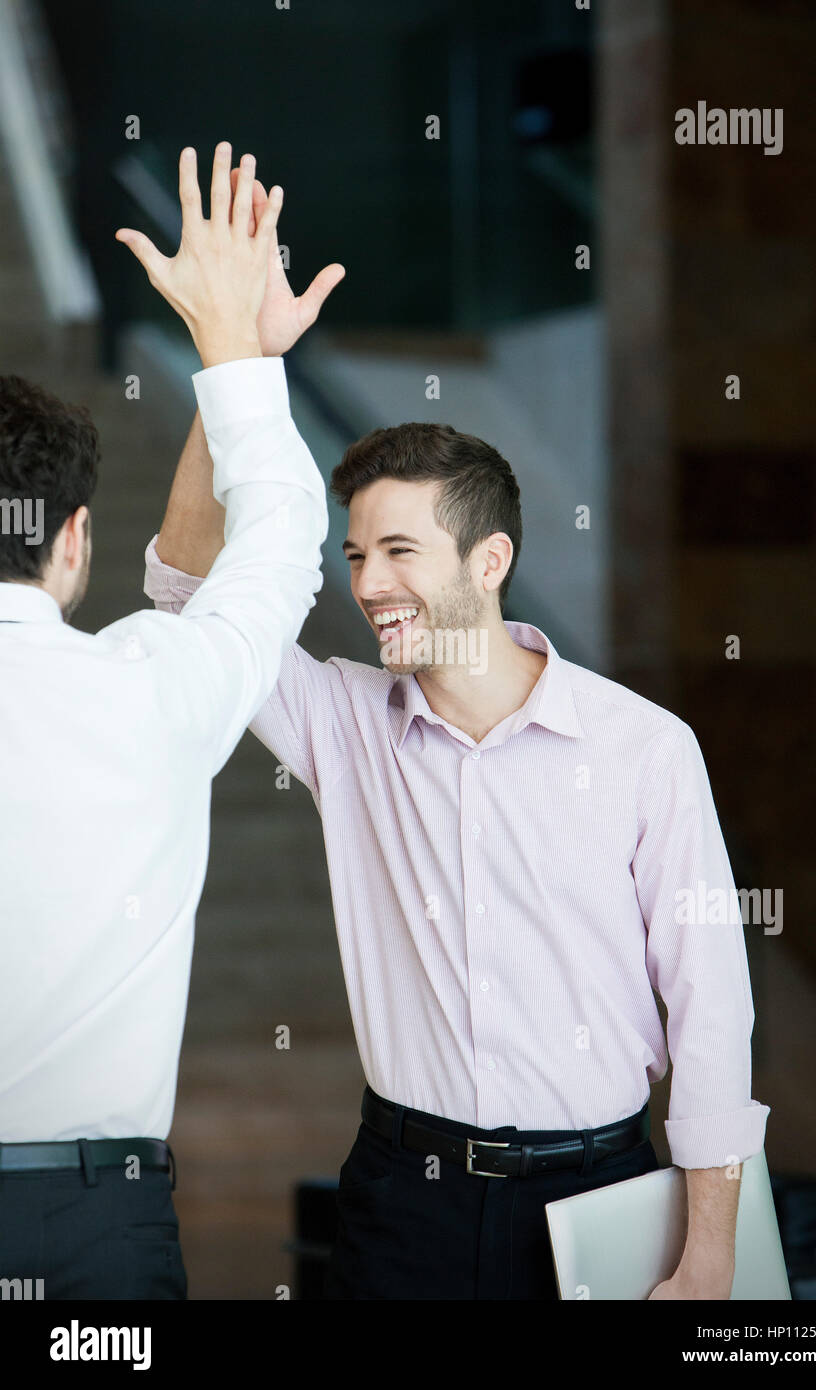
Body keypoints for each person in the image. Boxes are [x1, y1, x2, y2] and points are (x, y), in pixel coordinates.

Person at [144, 176, 770, 1303]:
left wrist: (710, 1244)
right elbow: (185, 593)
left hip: (605, 1195)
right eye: (354, 557)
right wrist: (232, 357)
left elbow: (712, 1001)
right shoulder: (346, 722)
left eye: (399, 552)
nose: (367, 583)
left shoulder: (645, 747)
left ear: (489, 562)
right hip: (404, 1197)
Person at [0, 141, 342, 1299]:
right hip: (93, 1232)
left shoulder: (155, 681)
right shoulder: (152, 689)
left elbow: (218, 561)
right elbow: (277, 537)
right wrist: (231, 350)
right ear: (76, 538)